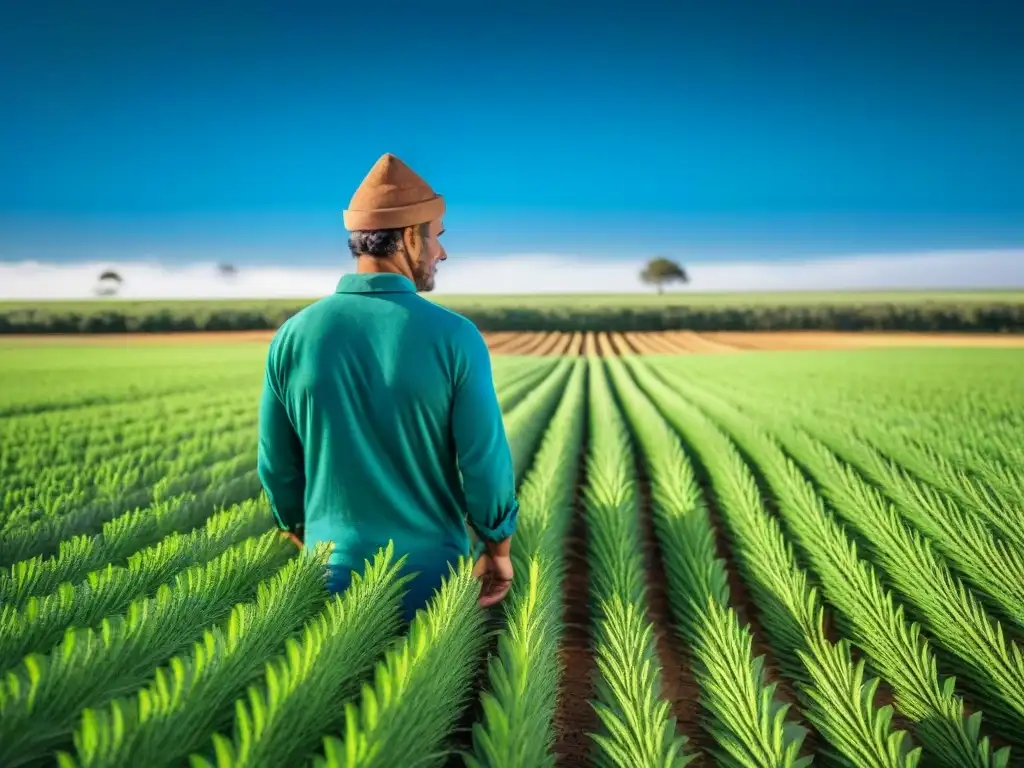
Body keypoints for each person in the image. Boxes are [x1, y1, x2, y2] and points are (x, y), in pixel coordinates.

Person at [257, 153, 518, 623]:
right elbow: (484, 460)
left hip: (328, 574)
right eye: (437, 236)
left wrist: (304, 531)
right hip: (432, 579)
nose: (442, 252)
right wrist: (497, 545)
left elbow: (276, 465)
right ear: (406, 237)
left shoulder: (292, 336)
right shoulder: (454, 336)